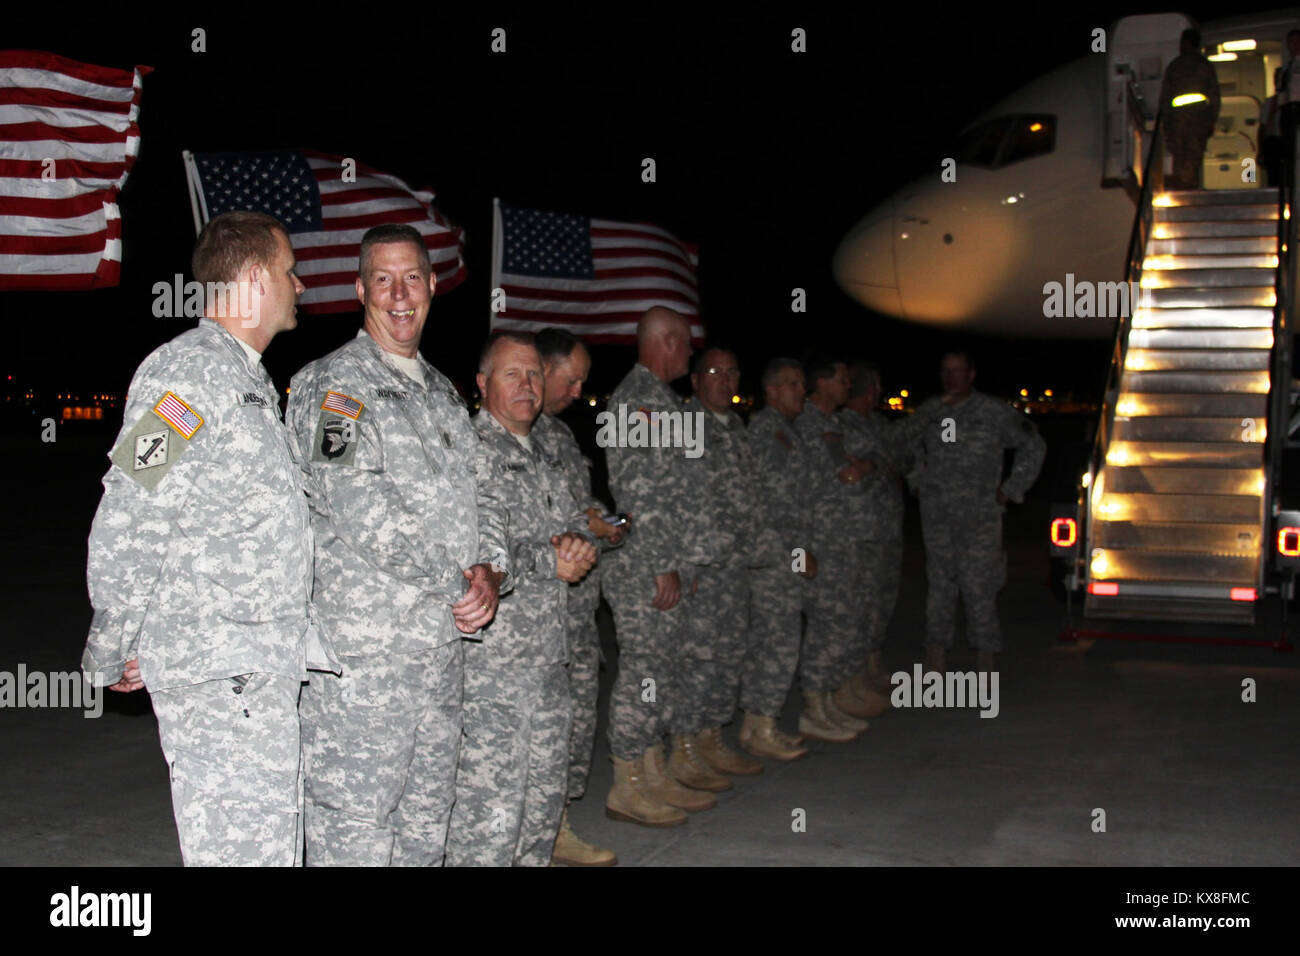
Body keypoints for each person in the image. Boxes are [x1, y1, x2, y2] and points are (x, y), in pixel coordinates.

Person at [82, 210, 337, 866]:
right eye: (289, 272)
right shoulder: (188, 374)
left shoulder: (245, 377)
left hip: (254, 664)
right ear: (255, 278)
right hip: (222, 670)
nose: (300, 286)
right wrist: (115, 641)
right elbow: (134, 505)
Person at [286, 223, 511, 866]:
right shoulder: (336, 386)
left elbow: (487, 491)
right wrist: (457, 581)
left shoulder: (441, 392)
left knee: (425, 829)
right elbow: (358, 504)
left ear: (433, 285)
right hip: (366, 661)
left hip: (439, 653)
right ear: (361, 290)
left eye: (412, 277)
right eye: (382, 280)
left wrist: (492, 569)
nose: (399, 295)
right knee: (356, 832)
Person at [446, 332, 597, 867]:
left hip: (550, 660)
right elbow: (469, 552)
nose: (527, 385)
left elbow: (575, 522)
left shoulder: (548, 450)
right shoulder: (467, 451)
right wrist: (547, 560)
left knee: (541, 808)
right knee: (490, 815)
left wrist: (579, 544)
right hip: (494, 670)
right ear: (483, 383)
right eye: (512, 374)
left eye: (534, 373)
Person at [602, 306, 718, 825]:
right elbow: (637, 493)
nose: (691, 353)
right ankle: (627, 784)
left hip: (671, 561)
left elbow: (682, 490)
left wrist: (688, 560)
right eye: (686, 343)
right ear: (666, 341)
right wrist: (663, 564)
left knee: (663, 672)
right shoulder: (636, 401)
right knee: (644, 674)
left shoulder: (664, 401)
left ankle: (652, 770)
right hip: (645, 567)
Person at [534, 327, 623, 865]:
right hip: (540, 616)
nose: (577, 392)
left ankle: (560, 820)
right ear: (543, 370)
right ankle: (545, 830)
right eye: (571, 380)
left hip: (579, 611)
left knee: (577, 718)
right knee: (542, 729)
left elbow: (578, 506)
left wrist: (604, 522)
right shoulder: (510, 435)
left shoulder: (561, 436)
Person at [899, 352, 1045, 674]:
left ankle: (985, 654)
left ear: (971, 375)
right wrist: (916, 480)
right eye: (945, 371)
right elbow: (904, 443)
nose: (951, 378)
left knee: (979, 584)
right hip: (938, 515)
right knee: (940, 584)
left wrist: (1011, 488)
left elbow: (1033, 445)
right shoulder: (931, 411)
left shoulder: (992, 412)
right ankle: (936, 653)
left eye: (957, 371)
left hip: (980, 516)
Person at [681, 348, 766, 778]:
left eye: (733, 372)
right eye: (715, 372)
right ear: (696, 380)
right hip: (702, 567)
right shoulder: (684, 427)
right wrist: (685, 566)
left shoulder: (737, 428)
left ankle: (712, 738)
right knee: (697, 657)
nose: (725, 380)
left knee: (729, 654)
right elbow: (674, 502)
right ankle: (685, 747)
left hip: (736, 566)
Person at [792, 355, 877, 741]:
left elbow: (868, 464)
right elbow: (799, 489)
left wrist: (864, 468)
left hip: (846, 539)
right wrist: (801, 549)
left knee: (843, 620)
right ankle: (815, 707)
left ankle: (831, 699)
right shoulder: (805, 425)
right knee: (826, 624)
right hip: (821, 542)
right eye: (842, 377)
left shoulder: (838, 425)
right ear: (823, 382)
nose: (848, 385)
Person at [737, 358, 816, 760]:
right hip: (775, 557)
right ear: (772, 391)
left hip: (782, 554)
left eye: (802, 383)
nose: (802, 390)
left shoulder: (785, 431)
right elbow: (770, 506)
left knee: (772, 641)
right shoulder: (769, 433)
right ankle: (762, 726)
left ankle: (758, 725)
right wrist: (797, 555)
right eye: (793, 384)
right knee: (777, 643)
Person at [838, 361, 910, 700]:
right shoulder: (843, 425)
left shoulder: (879, 425)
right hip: (861, 529)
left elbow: (903, 459)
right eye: (876, 386)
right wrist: (879, 466)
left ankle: (871, 664)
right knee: (860, 603)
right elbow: (851, 471)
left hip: (887, 527)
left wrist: (880, 465)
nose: (880, 392)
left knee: (883, 599)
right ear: (866, 389)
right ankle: (854, 674)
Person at [1158, 27, 1221, 191]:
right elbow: (1214, 95)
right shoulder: (1204, 65)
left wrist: (1166, 122)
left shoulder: (1175, 66)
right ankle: (1189, 186)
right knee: (1193, 155)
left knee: (1179, 154)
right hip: (1199, 117)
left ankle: (1181, 187)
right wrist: (1211, 120)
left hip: (1178, 119)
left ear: (1186, 43)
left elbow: (1165, 96)